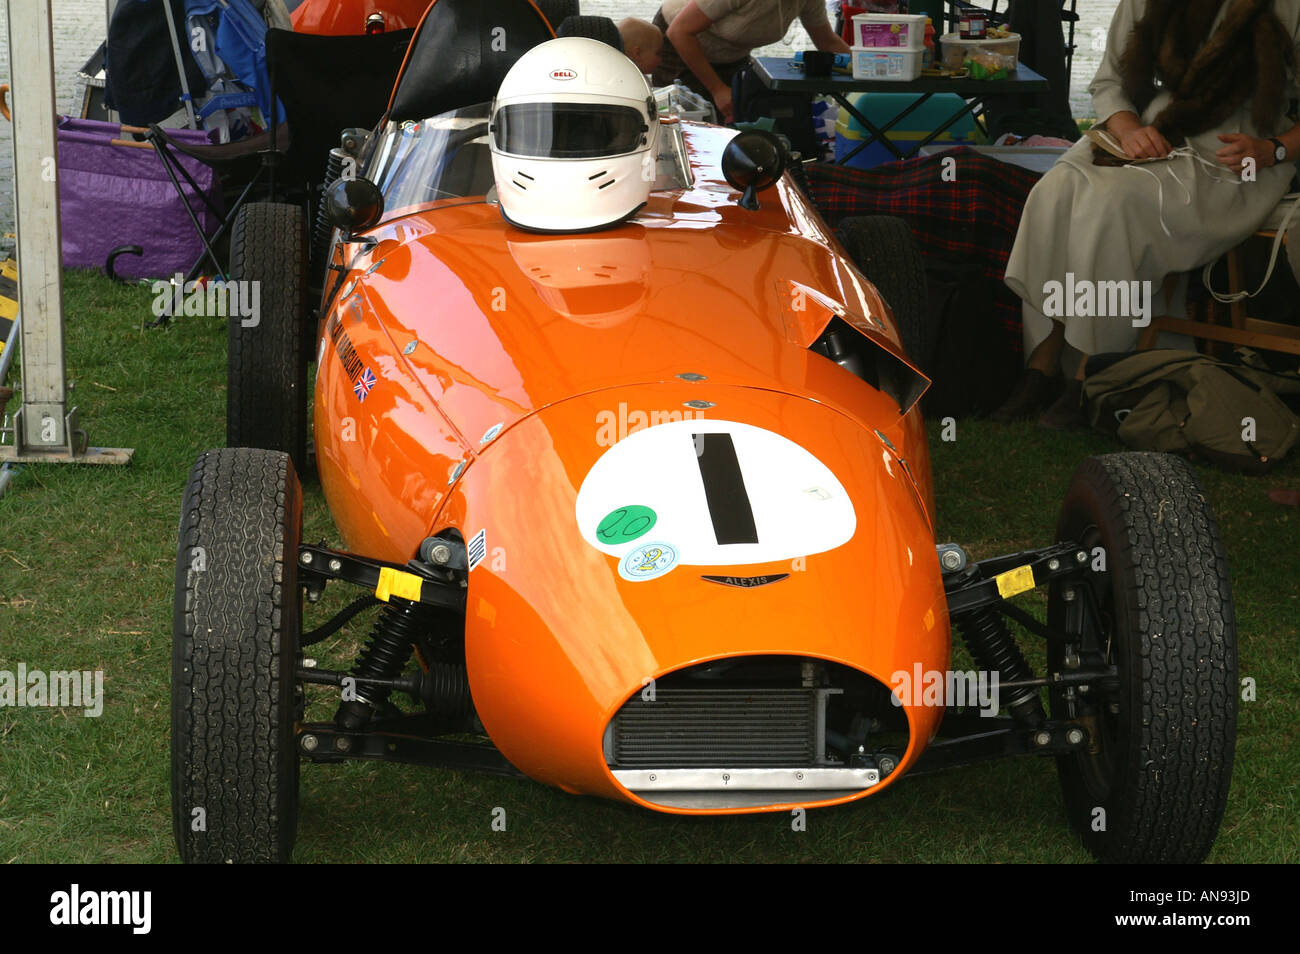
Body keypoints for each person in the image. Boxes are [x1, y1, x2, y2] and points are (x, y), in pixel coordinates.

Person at [998, 0, 1300, 428]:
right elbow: (1109, 82)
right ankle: (1044, 363)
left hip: (1237, 156)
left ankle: (1091, 375)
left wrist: (1274, 150)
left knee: (1113, 205)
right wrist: (1129, 130)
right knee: (1057, 188)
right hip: (1153, 130)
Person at [651, 0, 850, 122]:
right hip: (678, 46)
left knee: (736, 125)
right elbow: (679, 31)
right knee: (688, 126)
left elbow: (827, 41)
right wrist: (717, 89)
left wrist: (867, 67)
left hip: (733, 55)